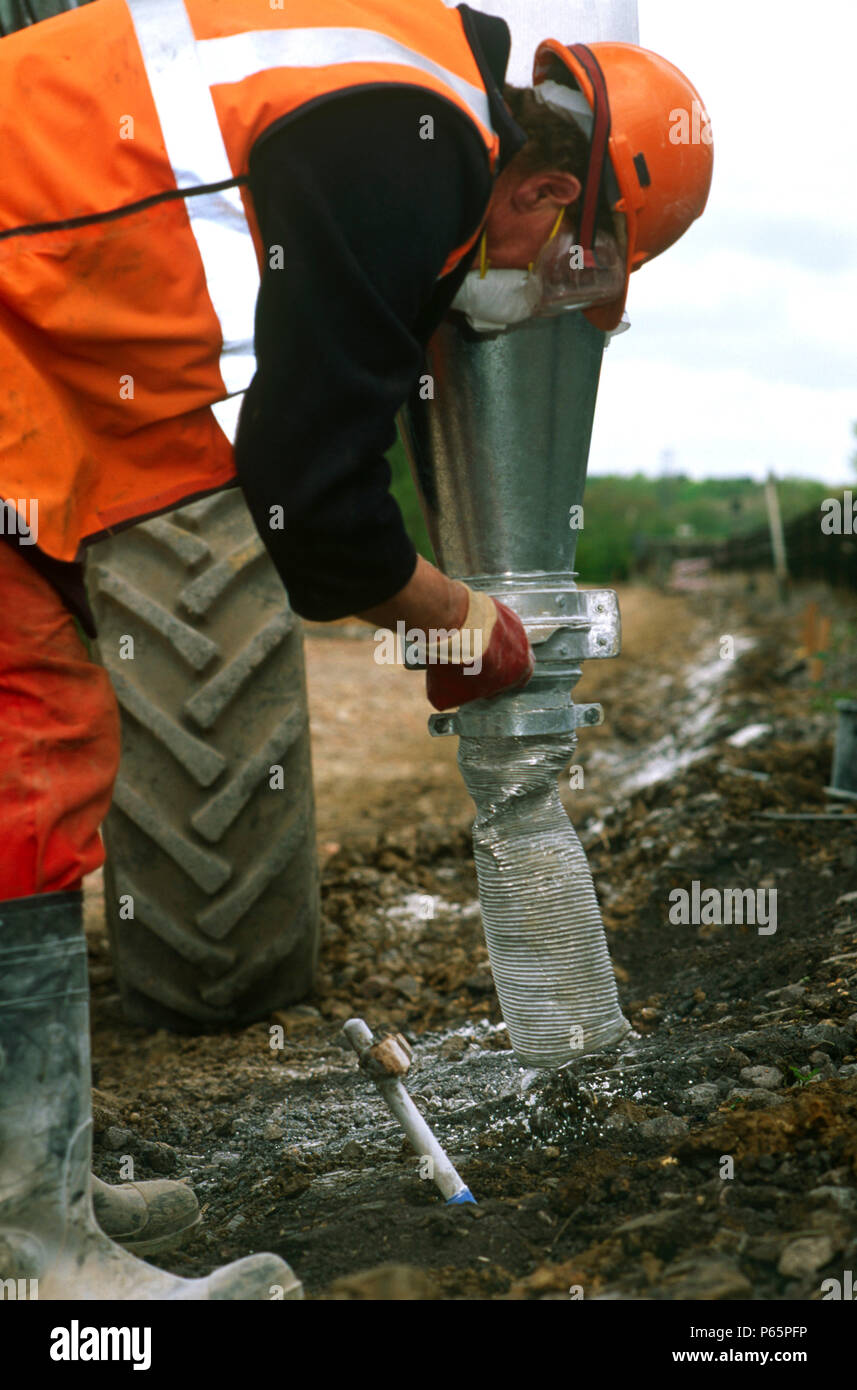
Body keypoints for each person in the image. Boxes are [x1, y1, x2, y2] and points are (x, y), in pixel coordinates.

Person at [0, 0, 712, 1298]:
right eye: (570, 274)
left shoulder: (408, 93)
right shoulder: (412, 136)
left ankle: (27, 1177)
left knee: (35, 735)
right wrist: (455, 620)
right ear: (547, 193)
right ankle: (35, 1250)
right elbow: (310, 499)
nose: (538, 304)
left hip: (30, 337)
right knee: (25, 756)